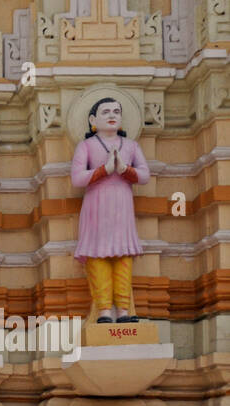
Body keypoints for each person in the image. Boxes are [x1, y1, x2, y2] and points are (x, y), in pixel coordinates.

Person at [70, 97, 150, 323]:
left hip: (123, 208)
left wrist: (125, 169)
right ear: (92, 120)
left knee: (124, 256)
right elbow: (77, 178)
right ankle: (104, 310)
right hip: (96, 208)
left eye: (116, 111)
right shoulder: (86, 146)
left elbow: (145, 175)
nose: (112, 115)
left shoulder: (131, 146)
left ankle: (123, 311)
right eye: (105, 112)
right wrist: (104, 169)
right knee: (98, 255)